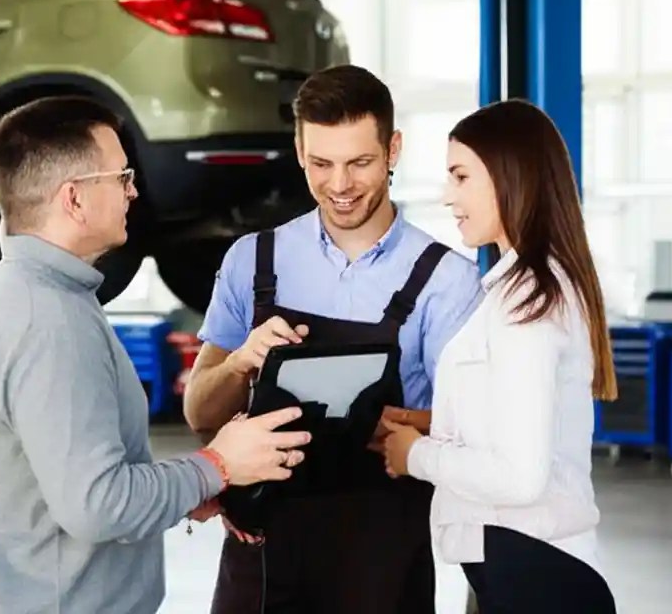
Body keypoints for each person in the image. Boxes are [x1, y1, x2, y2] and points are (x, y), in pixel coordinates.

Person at [0, 95, 314, 614]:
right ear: (73, 199)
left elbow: (77, 475)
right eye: (121, 176)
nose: (133, 190)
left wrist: (192, 487)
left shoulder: (29, 293)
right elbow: (98, 506)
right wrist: (216, 464)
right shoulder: (47, 320)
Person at [183, 64, 485, 613]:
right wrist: (240, 365)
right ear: (299, 150)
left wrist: (383, 424)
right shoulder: (253, 260)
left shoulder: (447, 281)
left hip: (382, 559)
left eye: (360, 162)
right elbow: (200, 413)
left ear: (393, 150)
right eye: (321, 163)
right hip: (263, 554)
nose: (340, 185)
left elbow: (473, 433)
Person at [374, 99, 619, 613]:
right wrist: (427, 421)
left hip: (539, 574)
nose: (448, 196)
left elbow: (519, 476)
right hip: (529, 569)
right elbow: (514, 418)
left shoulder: (529, 302)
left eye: (460, 176)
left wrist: (413, 455)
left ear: (509, 176)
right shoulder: (527, 290)